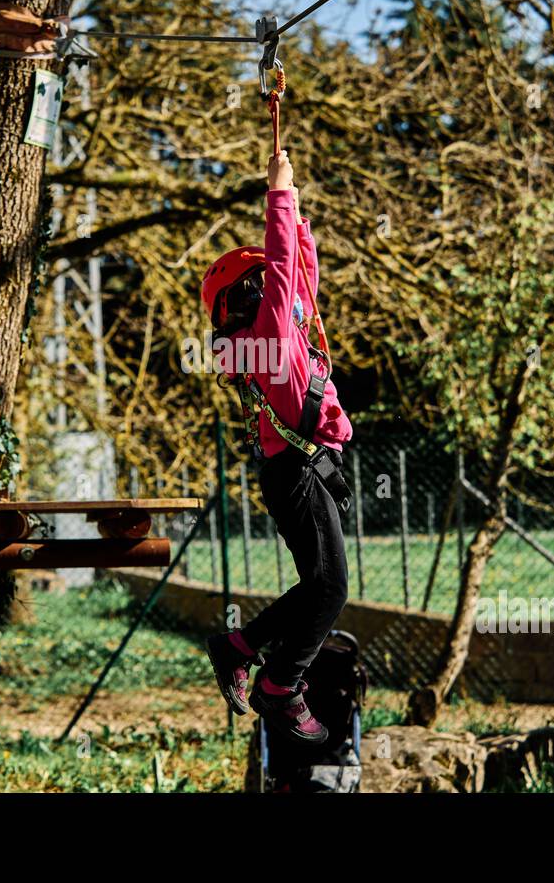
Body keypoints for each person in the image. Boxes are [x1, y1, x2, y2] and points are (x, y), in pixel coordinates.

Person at [200, 149, 353, 745]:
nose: (276, 287)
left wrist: (300, 215)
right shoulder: (267, 336)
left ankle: (239, 648)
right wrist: (280, 195)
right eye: (262, 283)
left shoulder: (269, 334)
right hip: (296, 473)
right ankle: (278, 684)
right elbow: (288, 269)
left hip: (297, 471)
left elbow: (301, 278)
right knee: (331, 589)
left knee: (321, 587)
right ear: (247, 298)